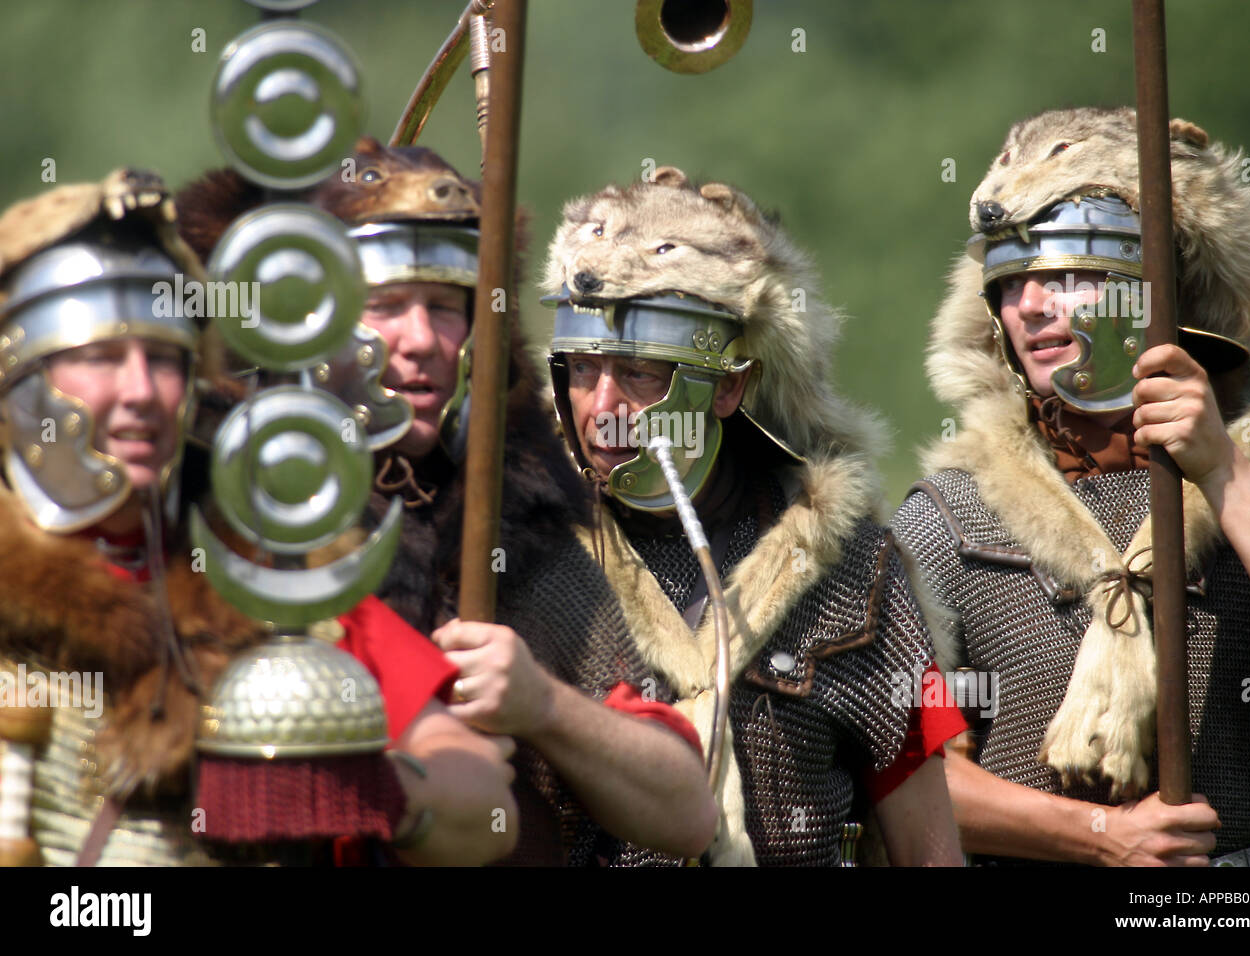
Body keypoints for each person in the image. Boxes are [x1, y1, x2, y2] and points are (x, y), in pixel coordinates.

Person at [178, 138, 718, 865]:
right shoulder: (225, 527)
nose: (421, 340)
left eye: (444, 306)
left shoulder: (525, 540)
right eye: (386, 305)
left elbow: (685, 812)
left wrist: (543, 705)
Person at [0, 169, 515, 867]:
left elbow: (486, 811)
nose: (140, 392)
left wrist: (363, 782)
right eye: (99, 358)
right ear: (22, 378)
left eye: (162, 357)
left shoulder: (272, 572)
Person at [891, 107, 1250, 867]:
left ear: (1155, 294)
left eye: (1072, 278)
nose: (1036, 307)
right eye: (1014, 283)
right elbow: (906, 774)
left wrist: (1224, 470)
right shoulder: (951, 517)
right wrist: (1099, 838)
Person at [542, 165, 967, 865]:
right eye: (584, 370)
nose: (604, 407)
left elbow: (929, 851)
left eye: (642, 373)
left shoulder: (856, 566)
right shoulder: (533, 554)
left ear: (728, 388)